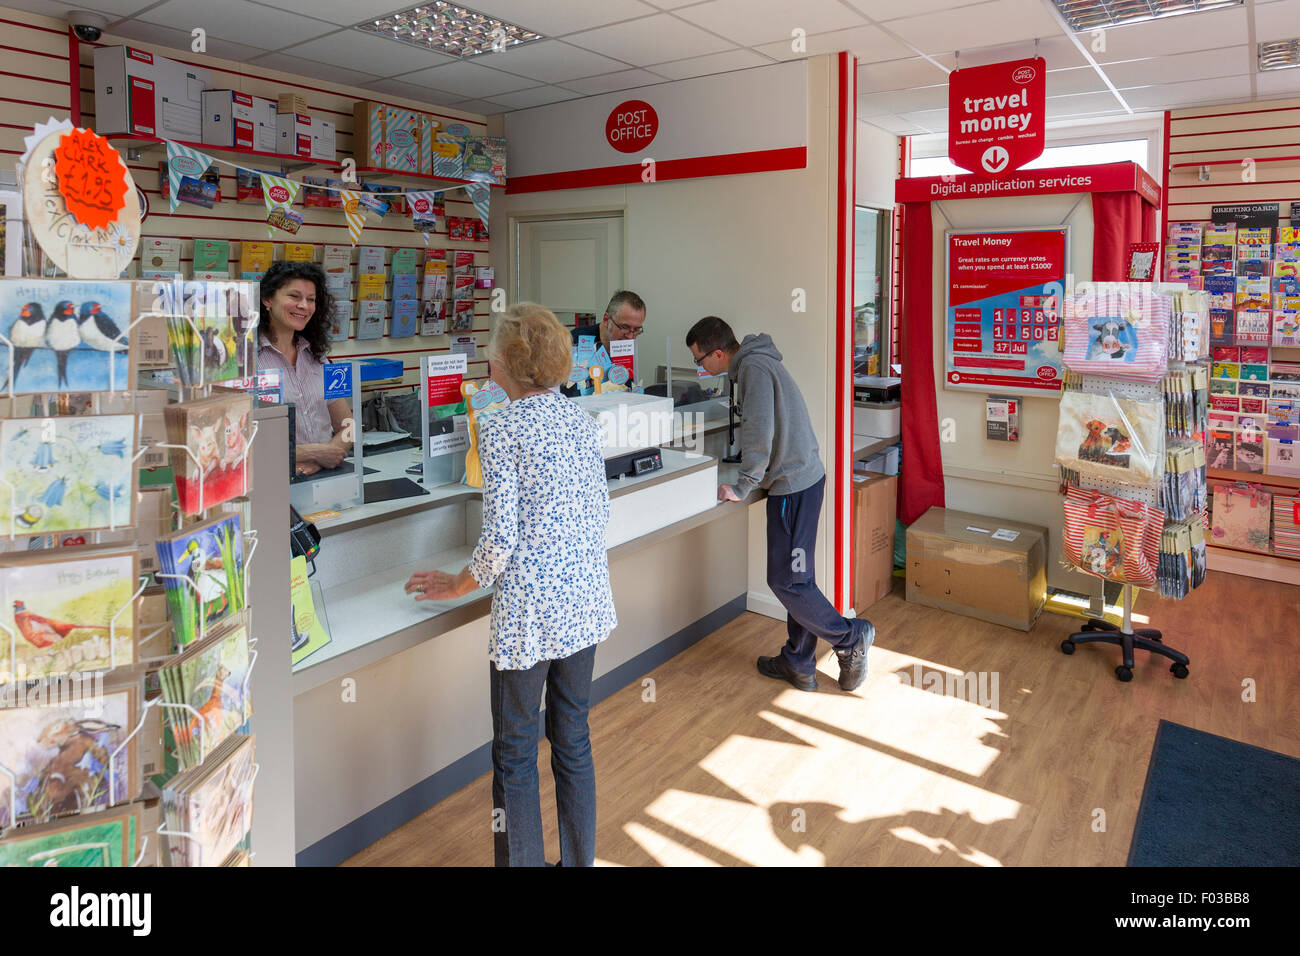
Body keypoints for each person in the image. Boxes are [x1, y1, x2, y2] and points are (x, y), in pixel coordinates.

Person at [405, 303, 617, 867]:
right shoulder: (579, 419)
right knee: (572, 738)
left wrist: (457, 585)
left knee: (516, 752)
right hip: (585, 604)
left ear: (509, 362)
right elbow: (598, 512)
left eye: (493, 350)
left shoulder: (500, 426)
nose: (487, 359)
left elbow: (499, 538)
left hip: (530, 617)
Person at [686, 316, 873, 693]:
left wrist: (744, 484)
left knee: (786, 580)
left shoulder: (753, 368)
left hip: (793, 487)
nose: (701, 368)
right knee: (798, 577)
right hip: (804, 478)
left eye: (700, 360)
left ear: (718, 353)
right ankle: (798, 661)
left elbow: (760, 429)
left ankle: (850, 637)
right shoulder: (759, 361)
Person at [257, 261, 352, 477]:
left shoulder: (319, 359)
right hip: (271, 481)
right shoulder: (247, 362)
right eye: (294, 296)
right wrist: (312, 453)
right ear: (267, 299)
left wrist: (324, 458)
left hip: (322, 476)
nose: (304, 306)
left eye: (311, 299)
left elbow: (348, 427)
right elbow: (242, 441)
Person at [563, 290, 646, 397]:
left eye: (636, 330)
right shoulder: (575, 342)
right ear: (606, 320)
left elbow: (626, 388)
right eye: (624, 328)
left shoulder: (626, 346)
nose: (630, 337)